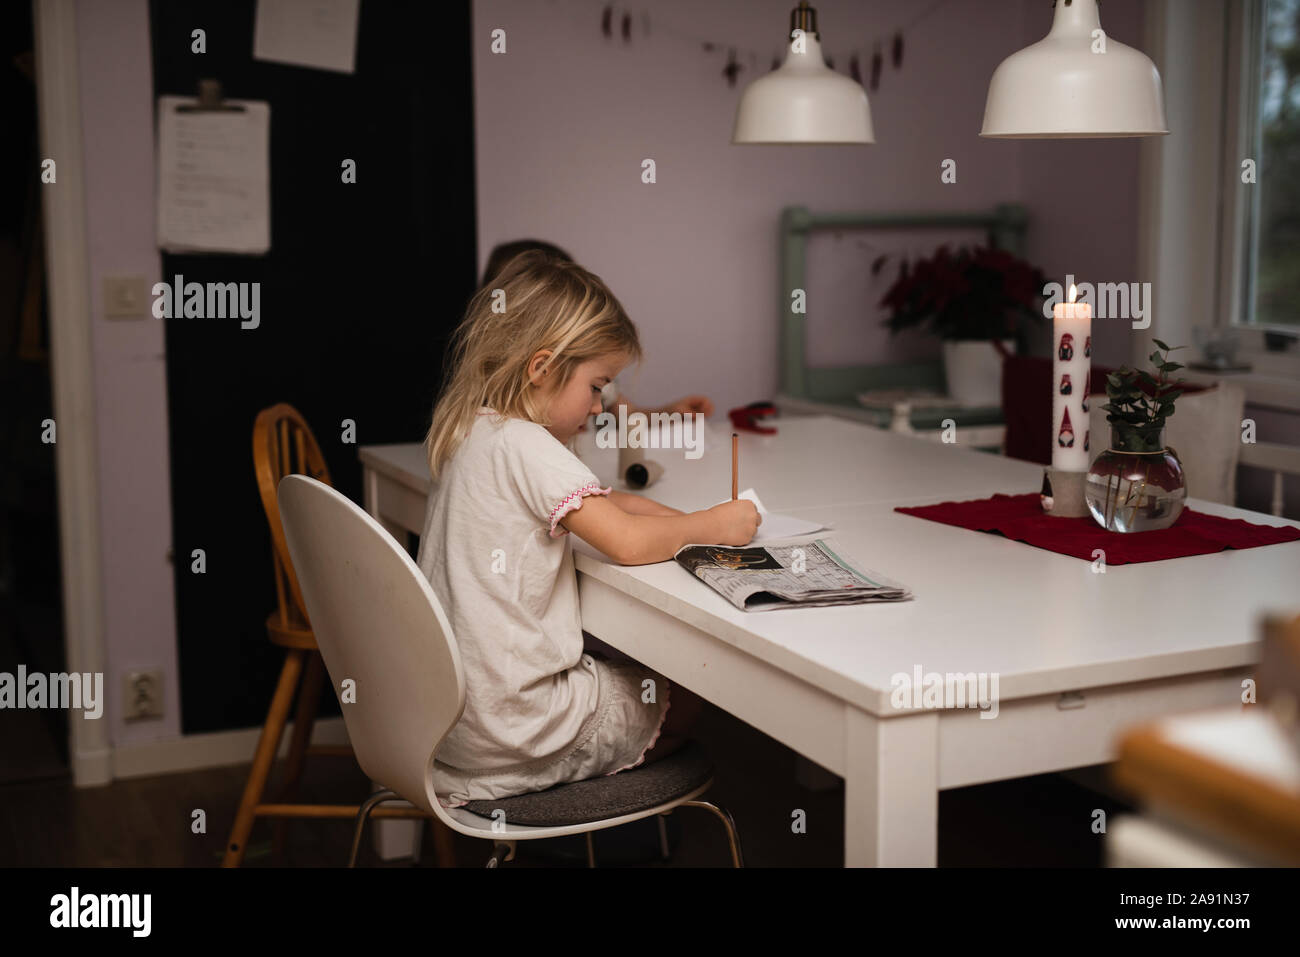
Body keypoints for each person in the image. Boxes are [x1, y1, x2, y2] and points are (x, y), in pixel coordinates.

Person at [419, 250, 759, 807]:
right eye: (597, 385)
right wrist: (715, 524)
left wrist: (684, 523)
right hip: (513, 726)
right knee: (692, 691)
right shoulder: (529, 444)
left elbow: (611, 506)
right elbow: (623, 542)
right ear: (542, 368)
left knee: (627, 662)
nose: (601, 405)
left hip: (447, 715)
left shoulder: (471, 427)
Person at [480, 239, 715, 426]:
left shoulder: (581, 364)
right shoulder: (492, 411)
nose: (596, 409)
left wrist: (668, 413)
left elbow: (625, 413)